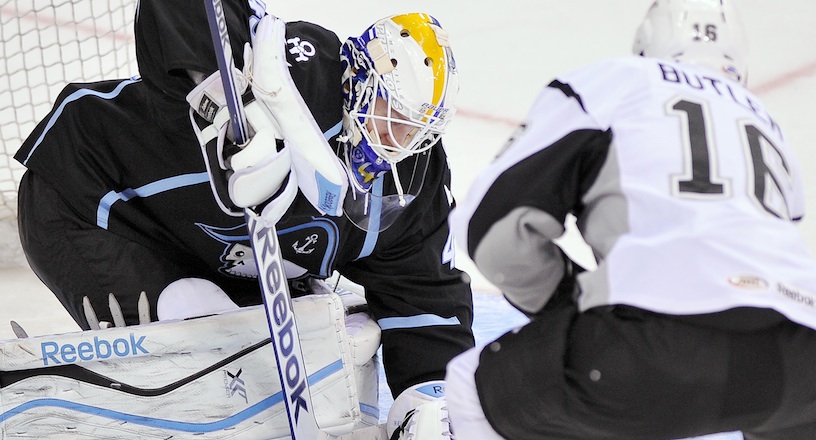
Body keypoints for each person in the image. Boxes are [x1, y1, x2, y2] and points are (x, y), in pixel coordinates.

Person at [15, 0, 473, 438]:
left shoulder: (415, 173)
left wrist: (432, 397)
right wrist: (219, 96)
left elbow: (425, 291)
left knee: (325, 331)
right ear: (362, 80)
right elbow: (186, 14)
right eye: (392, 113)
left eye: (418, 128)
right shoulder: (293, 76)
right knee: (198, 326)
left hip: (214, 253)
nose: (400, 138)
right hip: (93, 199)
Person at [444, 0, 816, 439]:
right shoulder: (763, 118)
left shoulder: (617, 80)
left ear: (647, 44)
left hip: (654, 346)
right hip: (802, 351)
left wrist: (569, 302)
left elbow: (491, 230)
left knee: (471, 388)